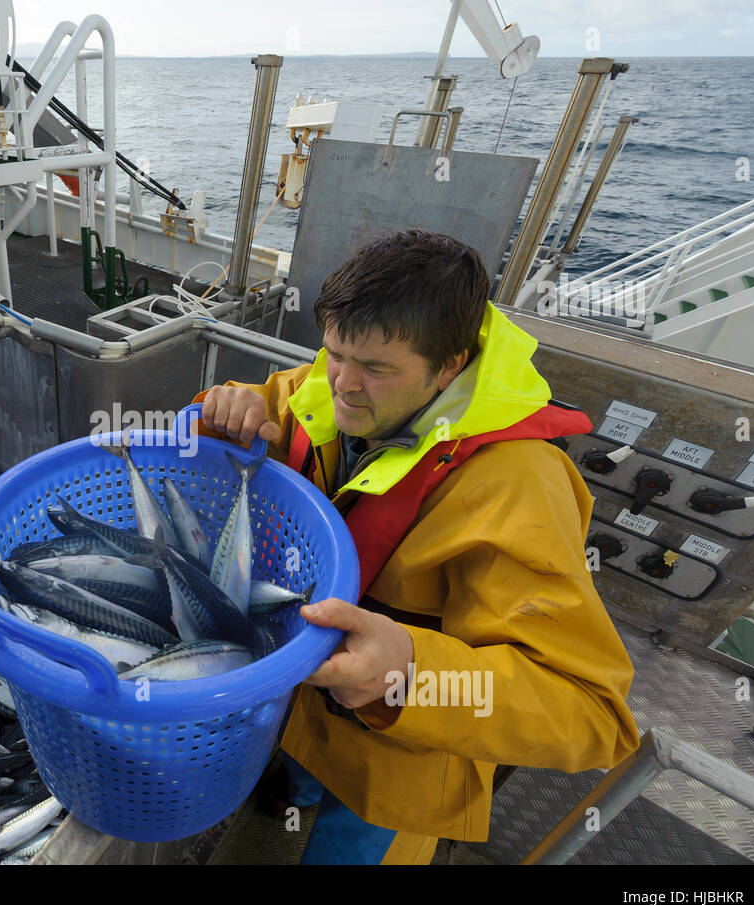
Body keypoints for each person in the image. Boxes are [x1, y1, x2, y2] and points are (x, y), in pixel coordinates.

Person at [195, 229, 639, 865]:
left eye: (377, 370)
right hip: (297, 702)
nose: (344, 384)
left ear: (450, 366)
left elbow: (590, 713)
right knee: (293, 773)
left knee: (347, 851)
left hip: (396, 757)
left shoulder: (519, 485)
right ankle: (291, 788)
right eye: (334, 353)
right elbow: (265, 407)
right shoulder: (320, 386)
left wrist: (407, 674)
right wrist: (221, 409)